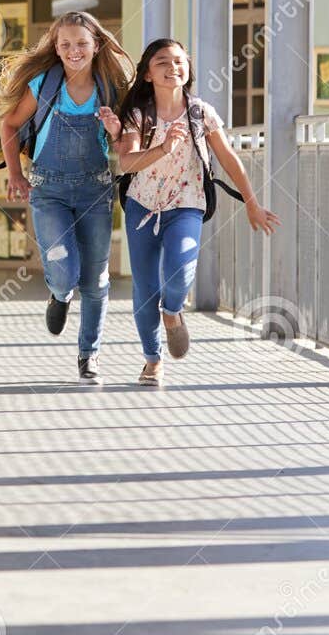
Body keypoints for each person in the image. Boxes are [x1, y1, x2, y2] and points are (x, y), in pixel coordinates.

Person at [114, 38, 279, 386]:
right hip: (142, 206)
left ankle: (172, 314)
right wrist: (163, 148)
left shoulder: (199, 112)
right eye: (162, 62)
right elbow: (126, 162)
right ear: (147, 74)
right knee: (145, 287)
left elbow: (228, 158)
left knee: (180, 271)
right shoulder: (138, 115)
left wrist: (251, 202)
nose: (173, 68)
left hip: (187, 204)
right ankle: (152, 359)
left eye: (179, 62)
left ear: (187, 70)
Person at [0, 10, 134, 382]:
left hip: (95, 188)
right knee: (64, 269)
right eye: (66, 44)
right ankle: (59, 293)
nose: (74, 50)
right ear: (55, 46)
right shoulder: (43, 84)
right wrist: (16, 174)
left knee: (96, 280)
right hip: (49, 189)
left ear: (96, 45)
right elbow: (9, 123)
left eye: (82, 44)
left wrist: (114, 128)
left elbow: (123, 144)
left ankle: (89, 355)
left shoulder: (109, 87)